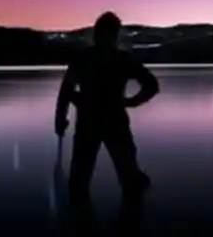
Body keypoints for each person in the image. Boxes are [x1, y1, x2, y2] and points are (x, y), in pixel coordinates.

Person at [55, 11, 159, 197]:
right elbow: (151, 86)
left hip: (91, 122)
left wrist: (61, 117)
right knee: (127, 179)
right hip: (113, 121)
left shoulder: (85, 59)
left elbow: (66, 91)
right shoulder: (122, 59)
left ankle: (82, 211)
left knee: (80, 182)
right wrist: (132, 102)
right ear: (115, 35)